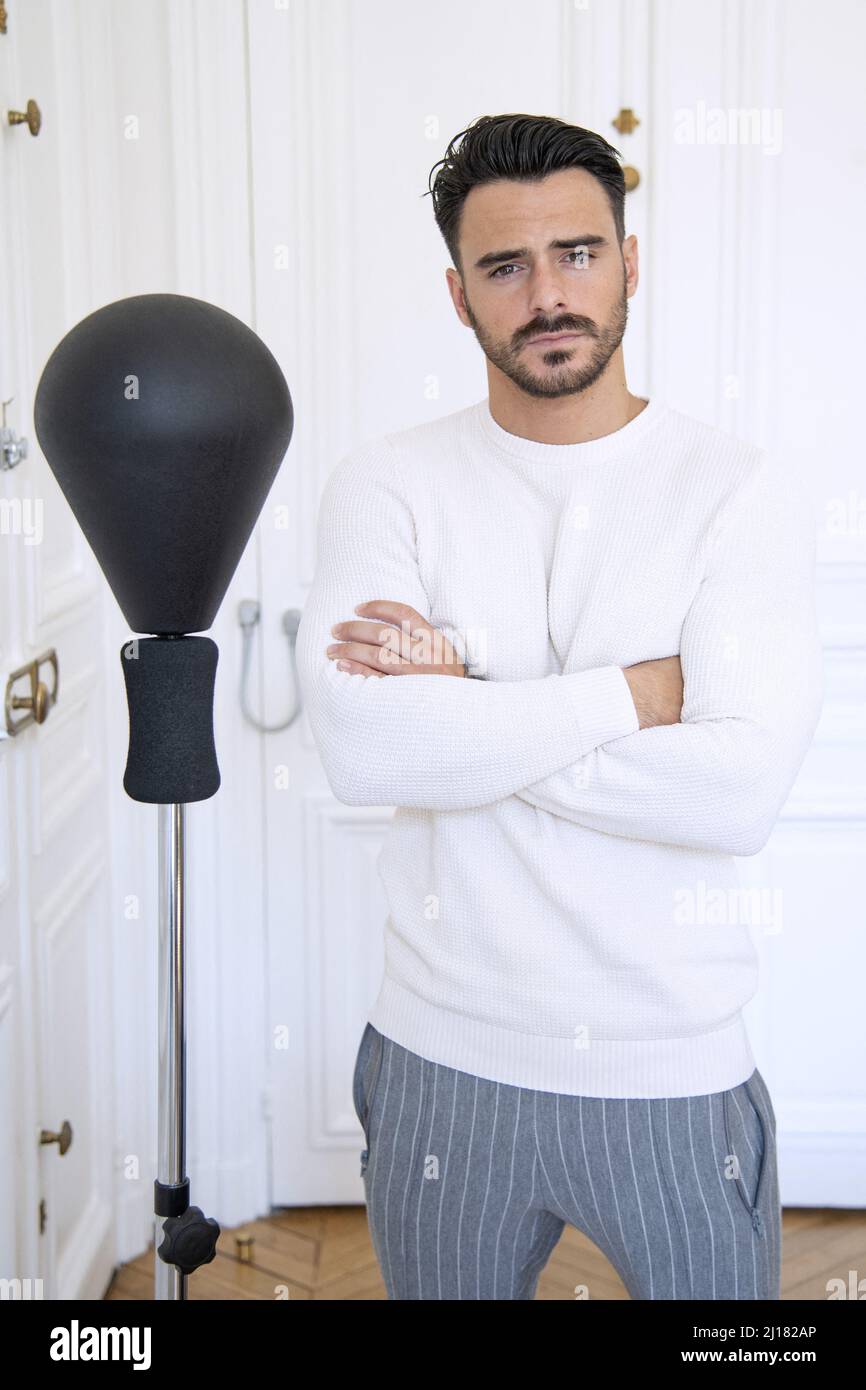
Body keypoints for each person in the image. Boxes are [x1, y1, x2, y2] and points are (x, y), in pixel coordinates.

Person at [295, 113, 824, 1300]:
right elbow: (367, 744)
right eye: (504, 266)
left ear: (629, 264)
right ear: (456, 294)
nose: (546, 294)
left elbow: (735, 789)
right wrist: (632, 696)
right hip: (439, 1060)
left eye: (577, 253)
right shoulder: (386, 482)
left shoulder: (736, 492)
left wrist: (464, 708)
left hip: (670, 1069)